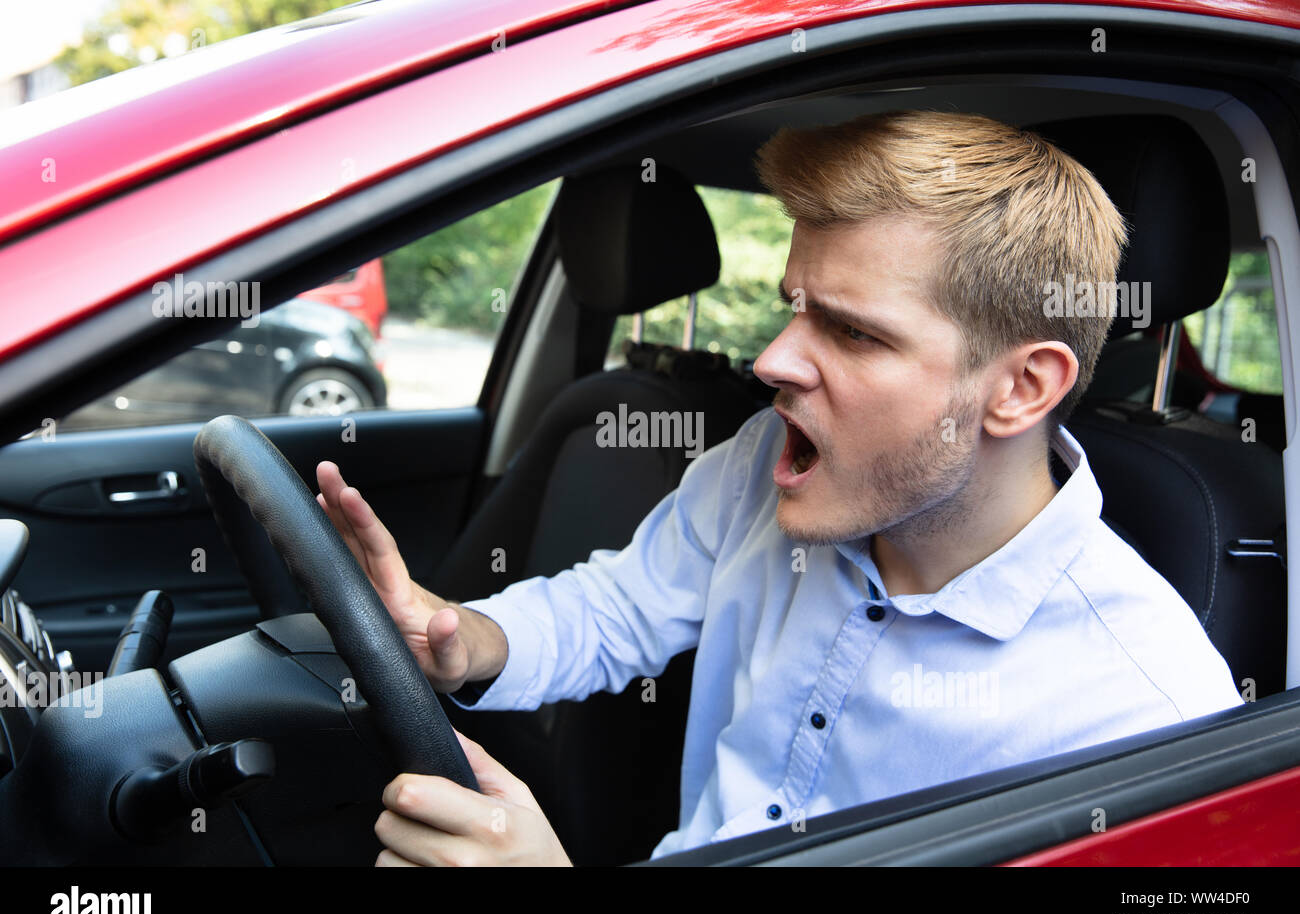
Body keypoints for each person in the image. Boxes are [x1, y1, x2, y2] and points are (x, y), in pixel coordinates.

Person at [315, 111, 1244, 867]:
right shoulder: (769, 467)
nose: (769, 363)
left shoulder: (1148, 716)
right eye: (794, 306)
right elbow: (616, 611)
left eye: (852, 332)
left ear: (1019, 389)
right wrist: (461, 638)